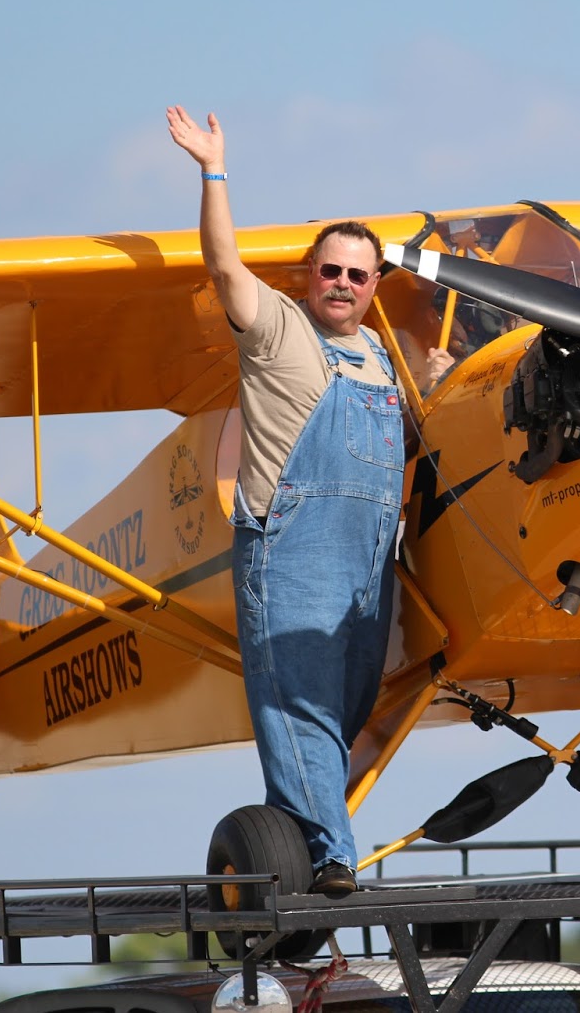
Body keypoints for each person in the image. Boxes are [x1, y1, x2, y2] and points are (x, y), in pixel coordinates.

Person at [166, 105, 402, 896]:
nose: (341, 283)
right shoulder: (275, 330)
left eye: (356, 274)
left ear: (374, 286)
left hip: (369, 563)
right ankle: (334, 857)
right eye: (329, 270)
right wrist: (213, 170)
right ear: (309, 275)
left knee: (338, 713)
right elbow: (225, 264)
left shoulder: (379, 357)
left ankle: (293, 847)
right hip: (293, 549)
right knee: (300, 703)